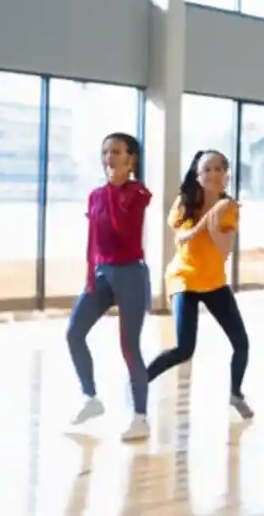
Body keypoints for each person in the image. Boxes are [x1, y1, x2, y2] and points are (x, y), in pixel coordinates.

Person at [146, 150, 253, 419]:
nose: (214, 174)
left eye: (219, 169)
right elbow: (182, 236)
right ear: (199, 175)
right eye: (208, 169)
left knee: (241, 343)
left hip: (214, 281)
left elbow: (223, 249)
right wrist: (201, 223)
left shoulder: (229, 209)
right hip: (184, 279)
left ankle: (236, 394)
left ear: (226, 175)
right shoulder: (185, 202)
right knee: (185, 349)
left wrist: (216, 220)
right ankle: (139, 383)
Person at [67, 132, 154, 442]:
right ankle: (91, 398)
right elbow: (93, 242)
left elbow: (122, 229)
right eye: (106, 151)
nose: (109, 157)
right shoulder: (95, 195)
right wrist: (90, 276)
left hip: (130, 274)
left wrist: (115, 188)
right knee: (74, 332)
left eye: (116, 152)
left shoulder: (139, 193)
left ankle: (140, 417)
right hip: (101, 273)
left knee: (129, 346)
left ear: (131, 159)